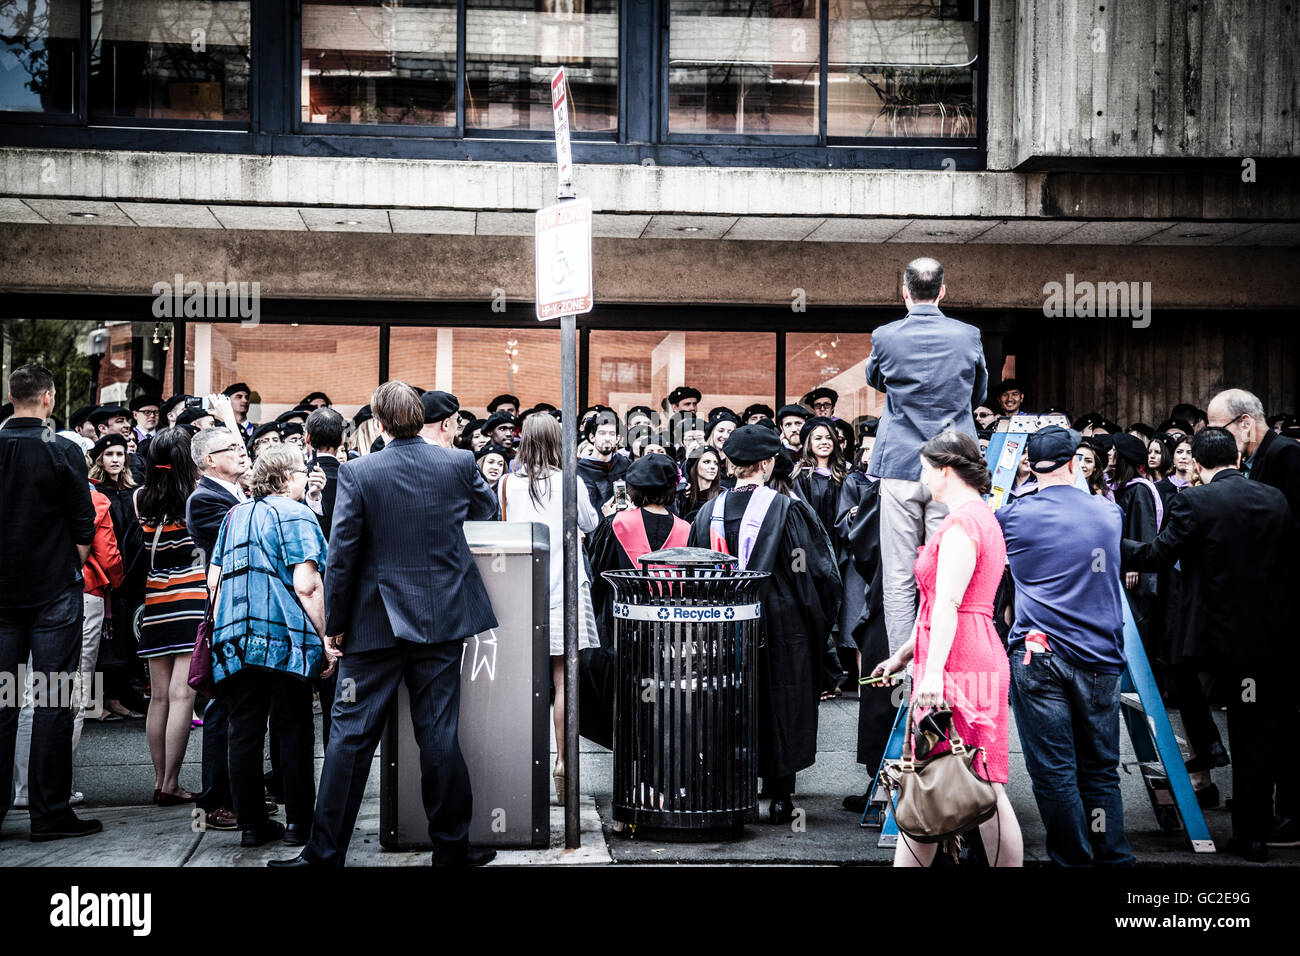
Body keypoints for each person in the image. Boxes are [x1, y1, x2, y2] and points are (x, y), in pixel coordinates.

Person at [271, 382, 498, 868]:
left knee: (350, 737)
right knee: (439, 734)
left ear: (376, 421)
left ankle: (324, 853)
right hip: (440, 618)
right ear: (422, 416)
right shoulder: (457, 464)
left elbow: (344, 552)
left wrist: (334, 623)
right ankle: (451, 849)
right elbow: (487, 510)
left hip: (373, 622)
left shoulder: (357, 471)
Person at [1121, 427, 1296, 861]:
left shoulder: (1194, 500)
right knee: (1254, 734)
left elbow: (1159, 556)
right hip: (1266, 637)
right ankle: (1253, 834)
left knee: (1179, 680)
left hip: (1211, 638)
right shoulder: (1274, 499)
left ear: (1197, 463)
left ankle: (1207, 750)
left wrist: (1113, 541)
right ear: (1238, 457)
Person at [870, 429, 1022, 867]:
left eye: (925, 470)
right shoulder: (978, 516)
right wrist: (906, 654)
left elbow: (951, 603)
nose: (923, 480)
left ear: (946, 470)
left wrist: (932, 673)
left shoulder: (962, 522)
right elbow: (947, 605)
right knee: (953, 778)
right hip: (968, 650)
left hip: (961, 659)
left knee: (973, 781)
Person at [994, 425, 1134, 866]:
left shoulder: (1013, 515)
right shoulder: (1107, 513)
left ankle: (1073, 859)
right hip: (1100, 657)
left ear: (1031, 467)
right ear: (1075, 462)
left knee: (1054, 772)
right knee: (1100, 769)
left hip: (1040, 653)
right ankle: (1112, 857)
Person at [688, 425, 841, 823]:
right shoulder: (787, 509)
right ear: (767, 462)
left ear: (731, 463)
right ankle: (779, 796)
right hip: (780, 622)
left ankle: (732, 785)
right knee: (780, 700)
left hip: (721, 627)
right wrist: (818, 625)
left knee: (729, 701)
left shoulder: (707, 514)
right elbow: (817, 574)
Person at [865, 257, 988, 659]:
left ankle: (906, 667)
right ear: (942, 291)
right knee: (945, 571)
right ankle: (942, 659)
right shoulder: (968, 335)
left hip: (901, 463)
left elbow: (876, 379)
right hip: (951, 466)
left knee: (899, 573)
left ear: (904, 292)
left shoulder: (885, 336)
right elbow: (979, 392)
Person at [209, 445, 331, 848]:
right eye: (301, 471)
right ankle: (299, 823)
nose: (305, 477)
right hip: (283, 635)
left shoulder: (235, 515)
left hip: (234, 636)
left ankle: (252, 825)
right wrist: (327, 639)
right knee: (293, 726)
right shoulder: (298, 514)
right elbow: (307, 584)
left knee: (243, 728)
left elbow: (213, 580)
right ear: (284, 477)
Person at [0, 365, 103, 841]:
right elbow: (84, 524)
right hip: (53, 592)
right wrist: (68, 566)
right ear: (48, 397)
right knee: (53, 699)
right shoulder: (62, 450)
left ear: (12, 395)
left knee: (3, 701)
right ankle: (49, 812)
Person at [13, 441, 124, 811]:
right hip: (80, 592)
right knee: (68, 694)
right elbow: (107, 556)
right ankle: (54, 788)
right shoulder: (93, 499)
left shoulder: (20, 487)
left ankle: (21, 788)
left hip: (20, 593)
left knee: (23, 693)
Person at [499, 414, 600, 802]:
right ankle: (563, 761)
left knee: (525, 683)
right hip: (567, 593)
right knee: (563, 682)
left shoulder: (507, 483)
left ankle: (523, 770)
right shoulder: (570, 481)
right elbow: (590, 523)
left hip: (522, 592)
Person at [585, 454, 691, 748]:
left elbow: (597, 577)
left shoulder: (616, 524)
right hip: (669, 631)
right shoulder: (685, 529)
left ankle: (630, 752)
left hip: (621, 627)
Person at [131, 427, 204, 805]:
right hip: (193, 600)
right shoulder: (197, 497)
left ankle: (159, 779)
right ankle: (172, 782)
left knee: (158, 698)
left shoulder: (140, 498)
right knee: (183, 696)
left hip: (156, 603)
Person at [184, 426, 250, 831]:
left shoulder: (236, 492)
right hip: (225, 609)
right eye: (232, 450)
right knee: (222, 706)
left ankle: (240, 793)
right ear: (209, 460)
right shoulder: (205, 499)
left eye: (243, 448)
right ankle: (216, 800)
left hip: (245, 607)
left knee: (242, 705)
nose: (242, 455)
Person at [577, 409, 629, 515]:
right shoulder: (580, 469)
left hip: (620, 525)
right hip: (590, 528)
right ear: (592, 437)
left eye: (611, 434)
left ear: (617, 439)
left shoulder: (625, 465)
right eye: (602, 433)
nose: (607, 438)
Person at [676, 446, 723, 520]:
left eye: (716, 463)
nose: (713, 467)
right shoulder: (685, 494)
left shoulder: (723, 496)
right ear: (695, 466)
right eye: (706, 462)